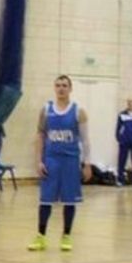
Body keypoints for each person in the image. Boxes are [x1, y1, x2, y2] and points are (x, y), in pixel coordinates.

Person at [28, 75, 92, 252]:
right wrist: (39, 160)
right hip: (51, 160)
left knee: (69, 200)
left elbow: (86, 140)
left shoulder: (79, 111)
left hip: (70, 161)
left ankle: (67, 235)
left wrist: (87, 163)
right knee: (45, 200)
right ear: (54, 88)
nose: (61, 88)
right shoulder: (46, 110)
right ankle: (41, 236)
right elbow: (40, 136)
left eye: (64, 85)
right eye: (58, 85)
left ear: (70, 88)